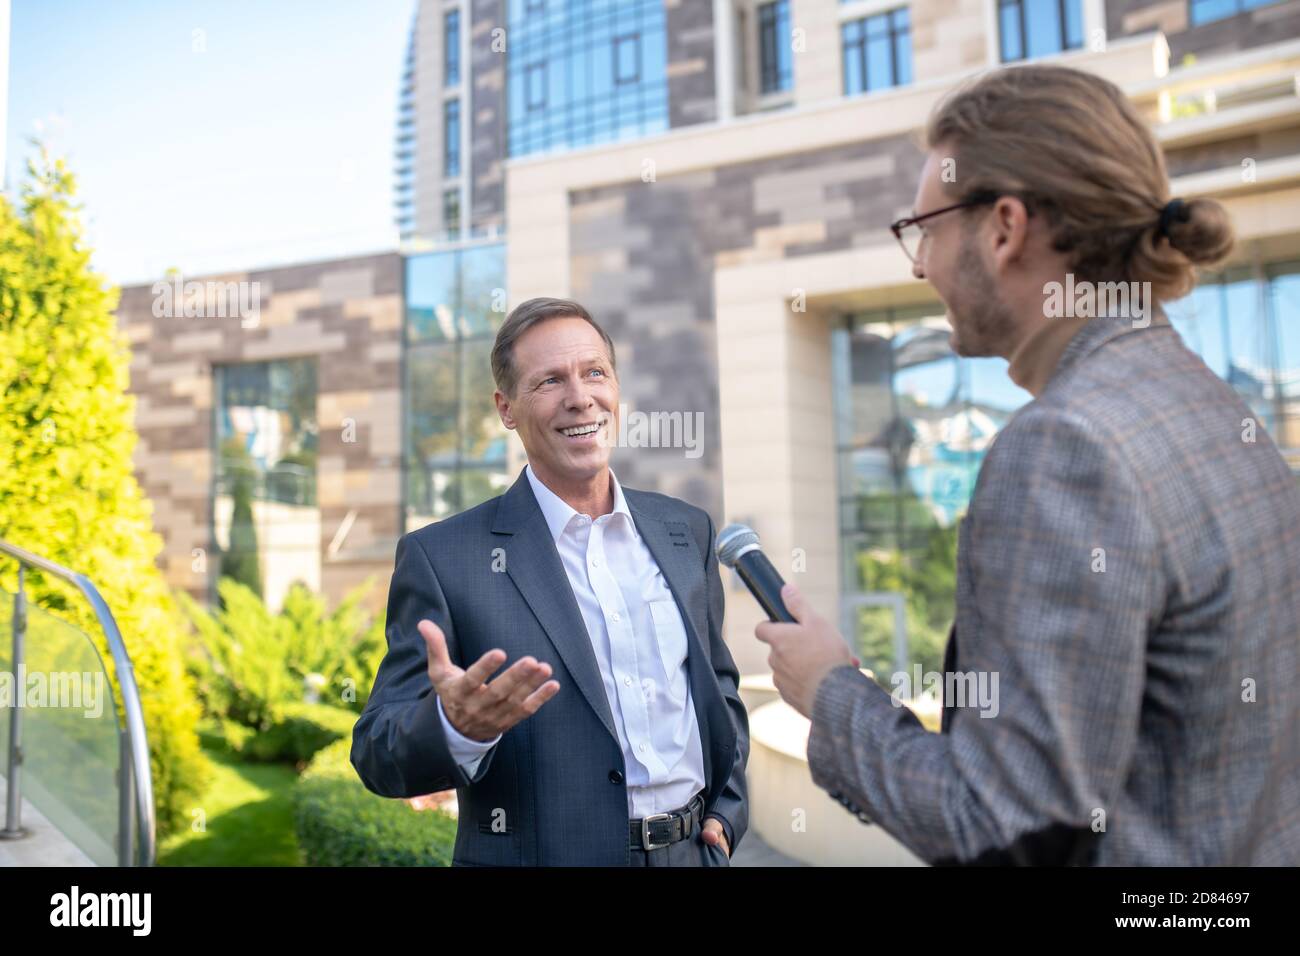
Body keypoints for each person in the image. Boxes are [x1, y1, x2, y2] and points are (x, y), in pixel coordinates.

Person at [756, 63, 1300, 865]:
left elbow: (1004, 829)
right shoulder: (1214, 405)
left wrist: (832, 692)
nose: (917, 265)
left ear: (1004, 227)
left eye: (924, 228)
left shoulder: (1065, 447)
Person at [352, 297, 748, 866]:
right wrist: (455, 726)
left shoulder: (687, 531)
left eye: (594, 373)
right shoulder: (442, 558)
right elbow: (375, 750)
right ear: (506, 408)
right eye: (549, 382)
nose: (580, 397)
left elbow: (720, 689)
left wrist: (728, 814)